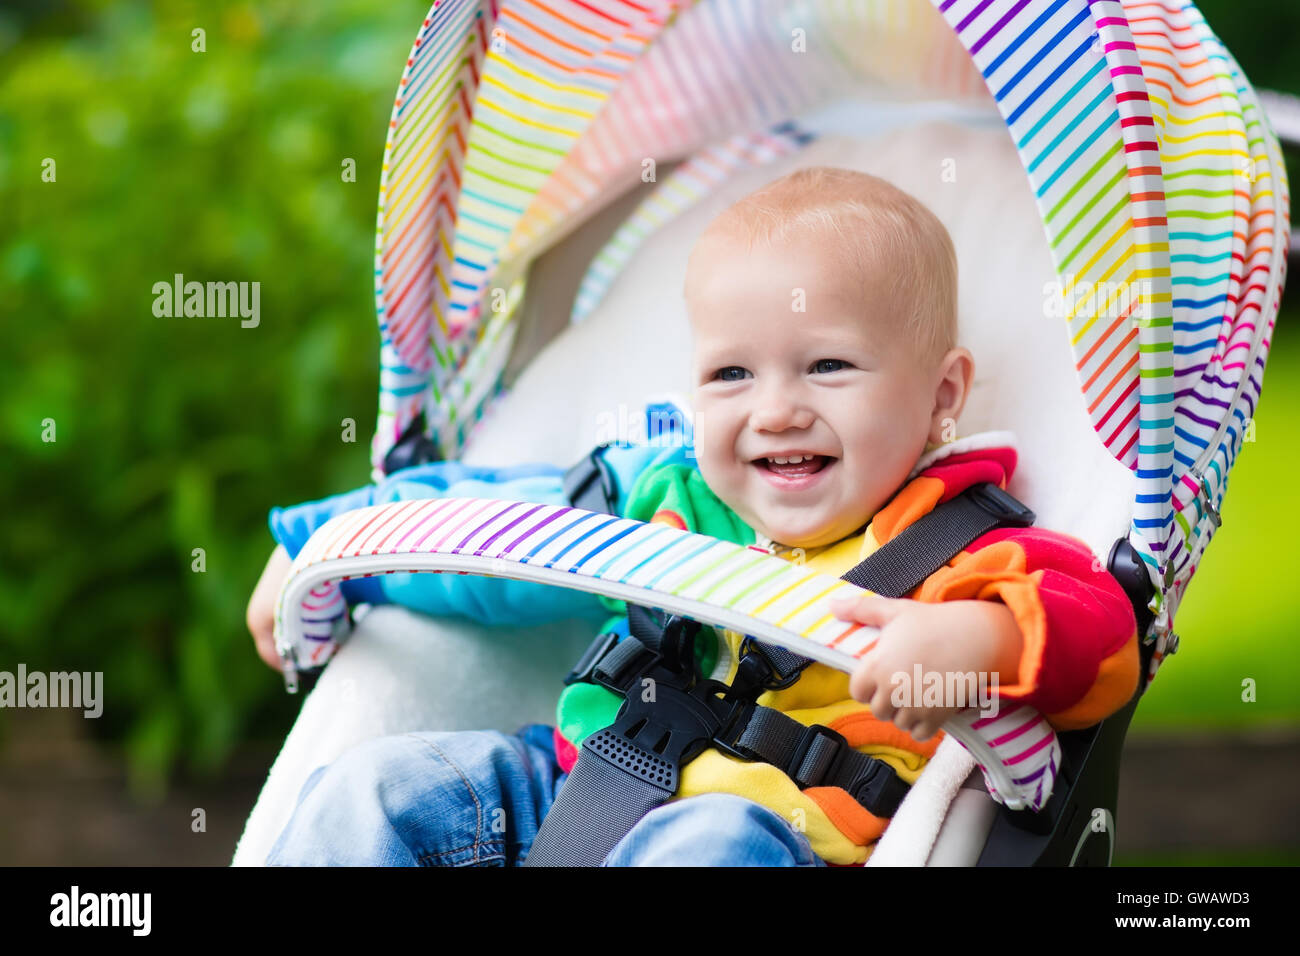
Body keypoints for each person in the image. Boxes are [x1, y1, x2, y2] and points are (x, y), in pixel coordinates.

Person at [249, 167, 1140, 866]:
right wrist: (328, 543)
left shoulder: (962, 550)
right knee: (371, 794)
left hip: (764, 840)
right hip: (560, 796)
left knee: (709, 847)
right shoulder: (661, 494)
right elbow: (487, 533)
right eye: (731, 375)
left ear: (942, 393)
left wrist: (969, 645)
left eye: (828, 366)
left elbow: (1100, 636)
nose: (777, 410)